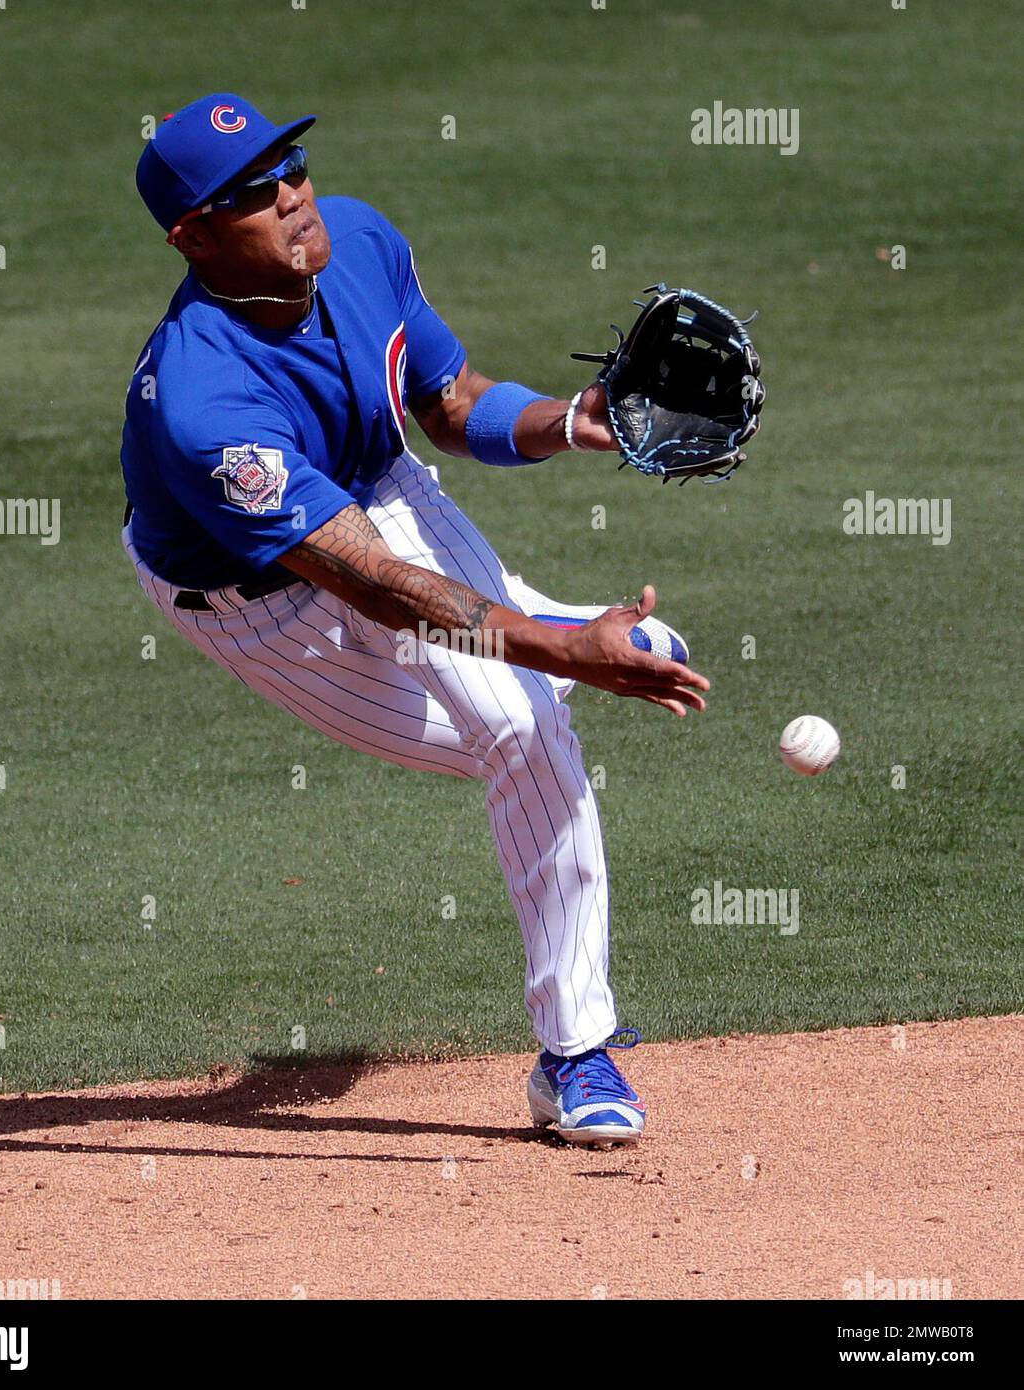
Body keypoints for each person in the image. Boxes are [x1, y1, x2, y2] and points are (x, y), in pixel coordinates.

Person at [121, 93, 710, 1148]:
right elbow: (378, 588)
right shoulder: (203, 403)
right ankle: (561, 629)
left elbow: (446, 403)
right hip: (263, 605)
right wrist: (564, 649)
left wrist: (571, 423)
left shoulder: (361, 242)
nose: (291, 195)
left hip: (381, 494)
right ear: (193, 235)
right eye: (251, 192)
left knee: (527, 730)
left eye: (289, 165)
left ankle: (574, 1053)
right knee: (520, 710)